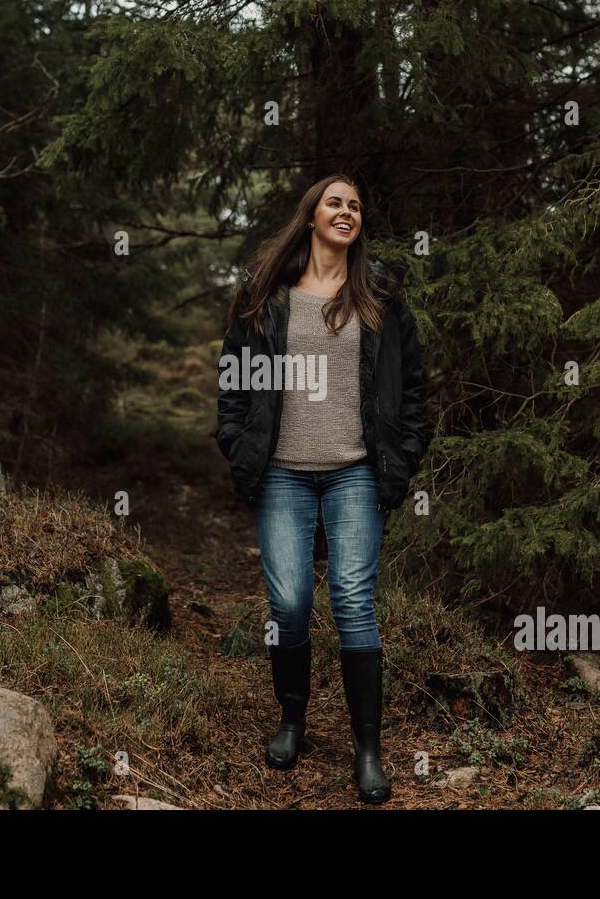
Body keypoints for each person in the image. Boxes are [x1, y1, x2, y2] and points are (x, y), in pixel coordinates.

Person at [214, 173, 431, 804]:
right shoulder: (266, 294)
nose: (346, 212)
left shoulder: (381, 297)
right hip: (282, 472)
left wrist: (404, 452)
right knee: (288, 604)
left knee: (354, 600)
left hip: (355, 471)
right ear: (311, 216)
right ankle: (292, 721)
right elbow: (234, 379)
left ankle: (368, 750)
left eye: (356, 205)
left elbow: (411, 388)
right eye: (335, 202)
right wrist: (237, 440)